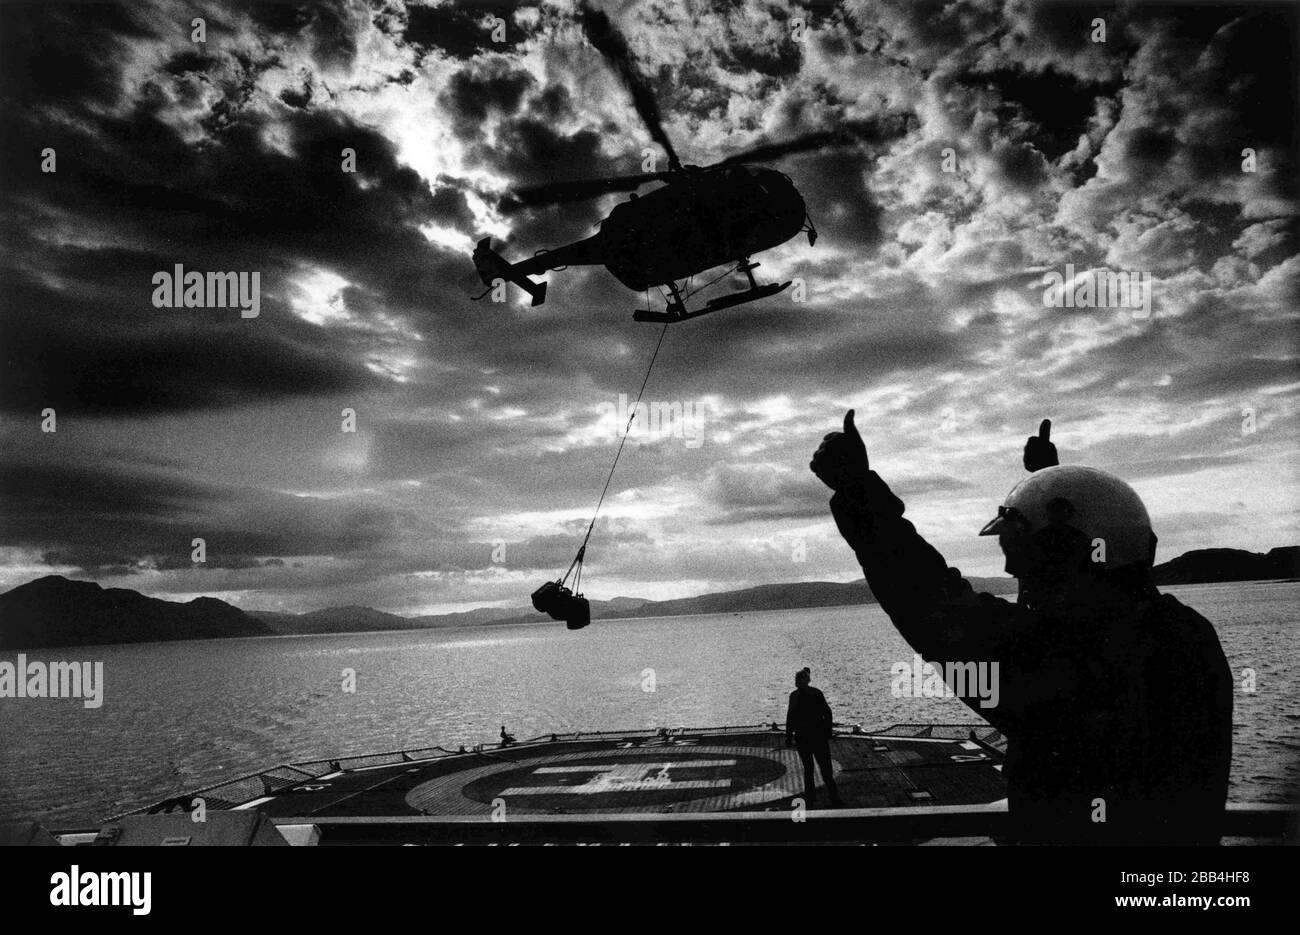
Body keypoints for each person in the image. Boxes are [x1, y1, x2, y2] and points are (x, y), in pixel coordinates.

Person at [810, 410, 1233, 844]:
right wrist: (1051, 481)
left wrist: (856, 490)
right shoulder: (1187, 634)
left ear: (1065, 551)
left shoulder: (1056, 654)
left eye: (1020, 552)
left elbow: (929, 602)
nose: (1012, 568)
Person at [785, 667, 843, 807]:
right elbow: (827, 713)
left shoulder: (794, 696)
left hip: (803, 738)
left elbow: (790, 718)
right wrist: (827, 731)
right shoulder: (816, 693)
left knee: (809, 769)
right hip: (818, 737)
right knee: (825, 769)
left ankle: (811, 799)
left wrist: (788, 736)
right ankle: (833, 797)